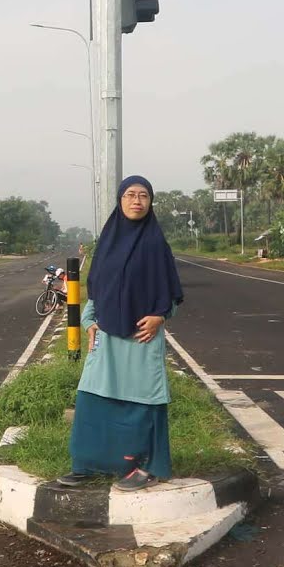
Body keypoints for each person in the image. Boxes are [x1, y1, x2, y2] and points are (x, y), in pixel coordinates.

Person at [60, 175, 184, 492]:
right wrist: (89, 322)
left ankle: (147, 465)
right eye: (130, 195)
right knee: (92, 396)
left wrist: (159, 317)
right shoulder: (108, 243)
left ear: (150, 202)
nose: (137, 201)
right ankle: (87, 463)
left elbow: (170, 294)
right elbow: (96, 293)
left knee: (146, 400)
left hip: (142, 338)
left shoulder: (156, 244)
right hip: (106, 335)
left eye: (143, 195)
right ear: (120, 200)